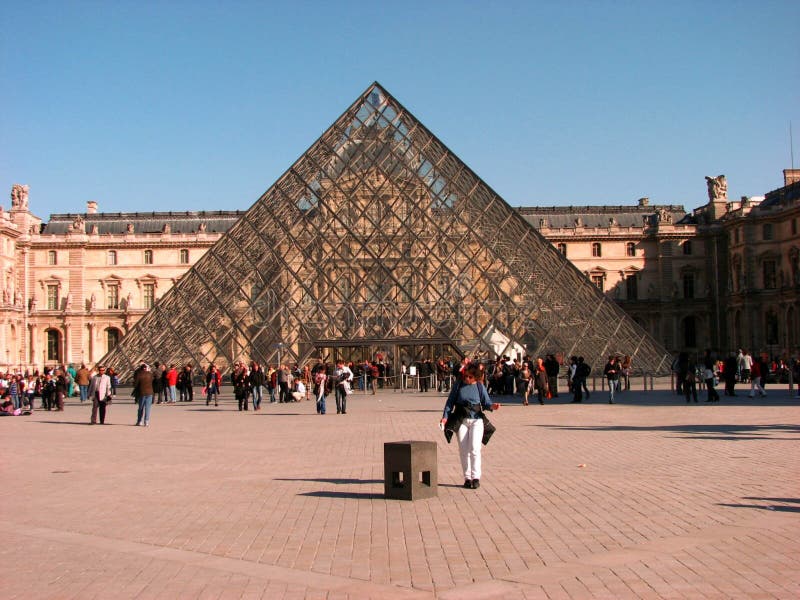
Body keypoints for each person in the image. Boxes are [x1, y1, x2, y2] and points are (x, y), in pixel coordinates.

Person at [440, 364, 499, 489]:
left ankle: (476, 477)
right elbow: (450, 402)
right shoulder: (459, 385)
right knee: (463, 450)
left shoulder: (479, 386)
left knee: (474, 449)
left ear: (475, 377)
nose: (466, 378)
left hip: (476, 420)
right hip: (461, 420)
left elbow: (486, 402)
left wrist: (493, 406)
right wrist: (445, 417)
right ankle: (467, 478)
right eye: (465, 376)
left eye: (469, 377)